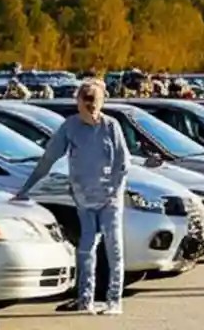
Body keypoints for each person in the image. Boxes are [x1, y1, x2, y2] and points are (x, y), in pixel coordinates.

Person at [14, 78, 129, 315]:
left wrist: (114, 191)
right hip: (83, 198)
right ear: (78, 103)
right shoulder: (70, 127)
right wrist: (26, 189)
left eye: (95, 105)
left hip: (110, 200)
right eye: (86, 104)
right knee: (86, 248)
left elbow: (123, 163)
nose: (91, 110)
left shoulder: (111, 126)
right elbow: (49, 159)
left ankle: (113, 300)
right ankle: (85, 299)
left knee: (114, 248)